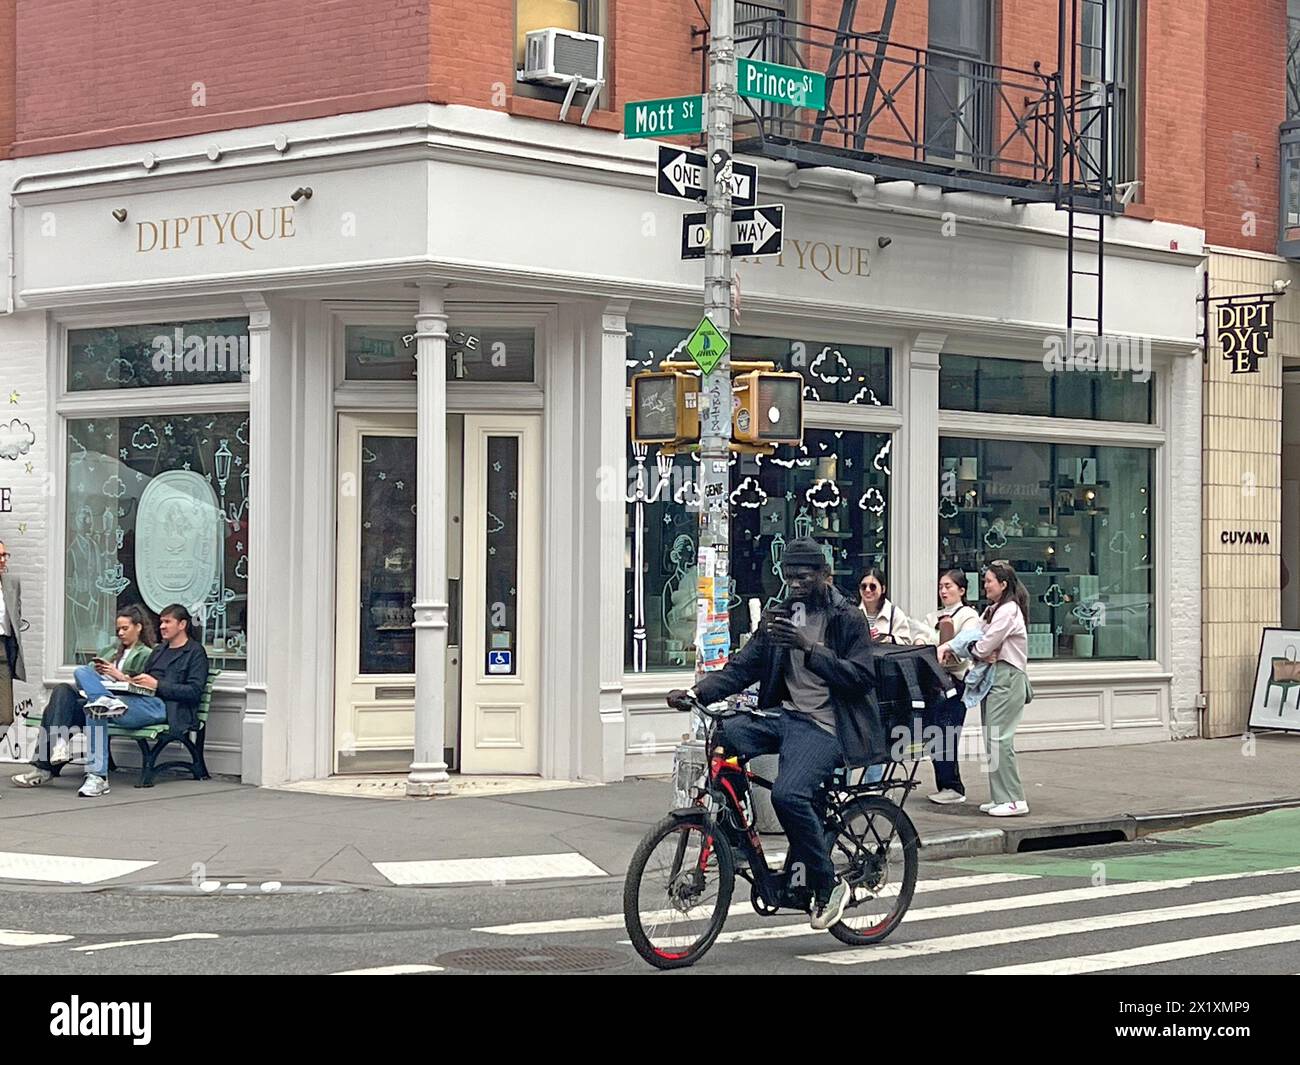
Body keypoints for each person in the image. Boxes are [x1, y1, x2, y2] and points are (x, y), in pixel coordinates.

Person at [667, 538, 883, 932]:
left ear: (824, 575)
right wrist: (696, 693)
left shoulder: (847, 617)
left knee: (787, 795)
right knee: (726, 736)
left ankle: (828, 884)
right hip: (785, 717)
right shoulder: (779, 616)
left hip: (827, 725)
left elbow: (862, 678)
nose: (796, 584)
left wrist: (809, 648)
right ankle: (736, 841)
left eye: (804, 576)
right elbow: (741, 669)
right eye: (789, 577)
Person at [11, 605, 157, 789]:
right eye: (118, 629)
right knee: (62, 691)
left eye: (125, 628)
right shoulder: (112, 649)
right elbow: (86, 672)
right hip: (93, 698)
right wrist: (97, 670)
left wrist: (118, 675)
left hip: (120, 704)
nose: (120, 633)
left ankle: (44, 766)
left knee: (53, 711)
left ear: (138, 627)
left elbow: (141, 687)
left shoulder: (146, 654)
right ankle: (59, 745)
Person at [75, 603, 209, 798]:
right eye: (161, 622)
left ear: (182, 624)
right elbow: (143, 680)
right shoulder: (159, 650)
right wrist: (127, 680)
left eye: (167, 622)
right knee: (85, 677)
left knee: (97, 708)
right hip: (138, 699)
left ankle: (97, 775)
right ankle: (98, 776)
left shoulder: (195, 652)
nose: (162, 626)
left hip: (164, 708)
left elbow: (194, 691)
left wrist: (158, 685)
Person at [939, 560, 1032, 817]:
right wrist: (962, 648)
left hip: (1007, 677)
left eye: (989, 581)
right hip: (994, 678)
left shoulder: (1008, 611)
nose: (985, 585)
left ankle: (1014, 799)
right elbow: (976, 640)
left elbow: (982, 645)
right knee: (993, 738)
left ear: (1003, 584)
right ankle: (1001, 797)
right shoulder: (993, 610)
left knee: (1000, 740)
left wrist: (974, 650)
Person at [912, 571, 981, 804]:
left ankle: (952, 786)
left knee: (947, 732)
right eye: (941, 586)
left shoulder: (968, 615)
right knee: (934, 732)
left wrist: (939, 644)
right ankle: (944, 784)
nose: (943, 591)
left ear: (961, 590)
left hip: (955, 683)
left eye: (949, 586)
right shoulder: (933, 615)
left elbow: (960, 648)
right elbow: (920, 639)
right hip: (932, 683)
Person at [0, 541, 27, 778]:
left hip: (3, 650)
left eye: (4, 555)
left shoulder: (11, 583)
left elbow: (15, 619)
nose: (3, 560)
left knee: (5, 716)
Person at [857, 567, 913, 644]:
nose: (867, 590)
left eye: (873, 587)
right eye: (863, 586)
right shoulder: (853, 613)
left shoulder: (895, 614)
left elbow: (907, 643)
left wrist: (888, 639)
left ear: (883, 589)